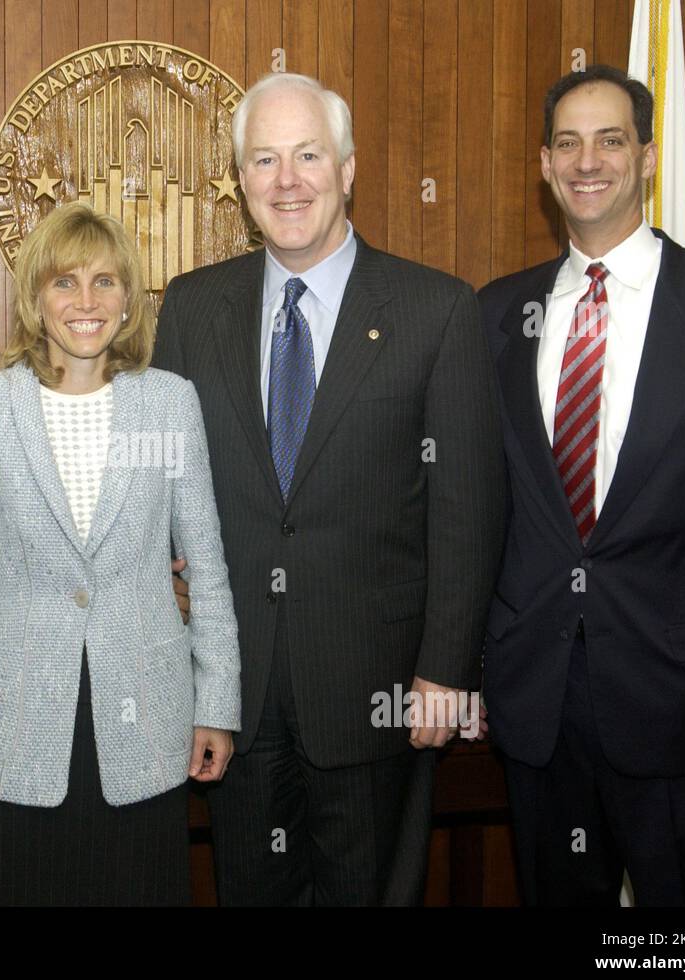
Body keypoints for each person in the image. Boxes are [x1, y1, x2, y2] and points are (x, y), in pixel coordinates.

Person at [153, 72, 506, 905]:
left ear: (348, 168)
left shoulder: (436, 309)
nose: (288, 180)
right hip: (232, 690)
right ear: (240, 183)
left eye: (308, 155)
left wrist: (445, 672)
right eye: (264, 160)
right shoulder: (193, 308)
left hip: (379, 691)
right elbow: (162, 490)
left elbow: (468, 509)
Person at [478, 66, 685, 906]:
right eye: (567, 143)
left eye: (610, 140)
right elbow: (480, 510)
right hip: (540, 701)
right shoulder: (498, 315)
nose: (588, 161)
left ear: (646, 156)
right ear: (543, 163)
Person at [0, 201, 241, 906]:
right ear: (35, 299)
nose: (86, 301)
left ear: (129, 299)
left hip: (147, 719)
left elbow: (209, 566)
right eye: (64, 282)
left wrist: (217, 702)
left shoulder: (170, 403)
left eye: (106, 281)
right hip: (11, 722)